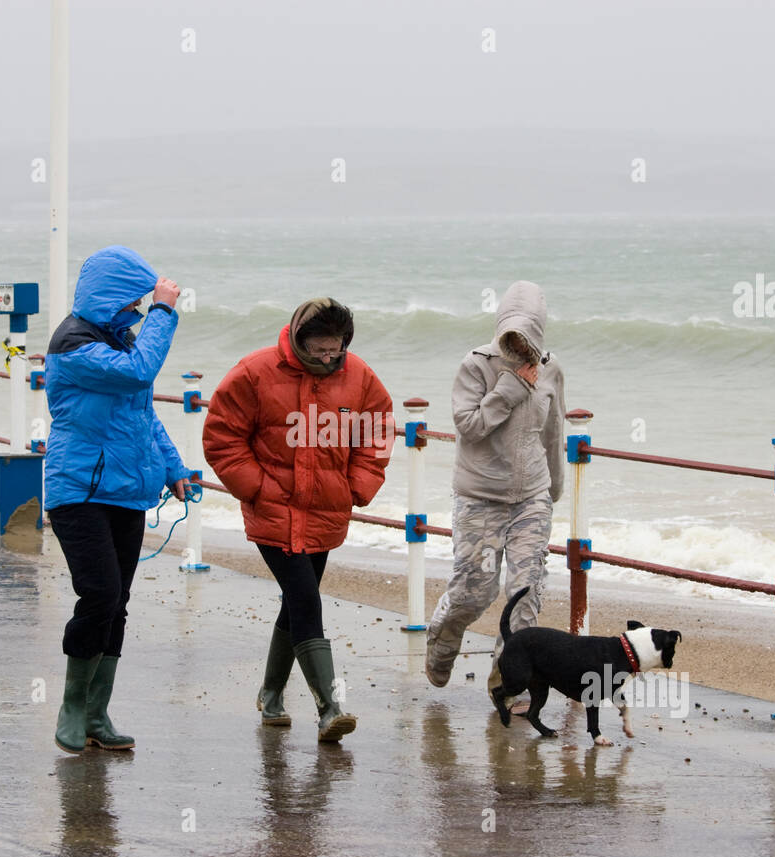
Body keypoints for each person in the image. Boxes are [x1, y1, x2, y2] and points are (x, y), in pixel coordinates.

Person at [203, 298, 393, 743]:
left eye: (336, 350)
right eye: (320, 350)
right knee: (306, 599)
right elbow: (222, 435)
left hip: (327, 511)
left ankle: (270, 696)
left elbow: (378, 428)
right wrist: (258, 488)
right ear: (298, 340)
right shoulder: (255, 371)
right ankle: (331, 709)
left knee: (295, 602)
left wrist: (358, 486)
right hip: (273, 511)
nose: (329, 359)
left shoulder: (359, 375)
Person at [43, 245, 190, 754]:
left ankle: (97, 715)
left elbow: (142, 413)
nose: (136, 311)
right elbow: (139, 374)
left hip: (125, 492)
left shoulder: (118, 339)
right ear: (111, 298)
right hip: (78, 492)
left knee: (118, 605)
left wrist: (172, 468)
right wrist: (164, 311)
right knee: (100, 595)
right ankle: (72, 708)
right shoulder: (74, 345)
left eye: (141, 305)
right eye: (133, 303)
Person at [423, 280, 566, 707]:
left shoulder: (552, 368)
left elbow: (554, 430)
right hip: (480, 495)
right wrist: (507, 390)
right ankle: (443, 640)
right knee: (476, 590)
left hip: (532, 497)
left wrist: (554, 489)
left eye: (528, 335)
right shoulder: (476, 365)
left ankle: (508, 683)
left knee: (526, 591)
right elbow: (468, 427)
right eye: (513, 334)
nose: (520, 344)